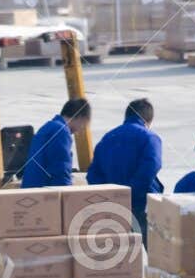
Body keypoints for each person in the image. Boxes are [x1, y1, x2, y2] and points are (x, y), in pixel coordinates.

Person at [85, 97, 162, 241]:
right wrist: (130, 193)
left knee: (119, 254)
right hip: (141, 206)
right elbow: (151, 166)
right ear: (148, 121)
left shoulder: (107, 138)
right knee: (153, 252)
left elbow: (93, 175)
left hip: (113, 207)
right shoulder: (149, 137)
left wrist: (111, 196)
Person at [20, 97, 91, 189]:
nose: (81, 129)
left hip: (31, 189)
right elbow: (61, 169)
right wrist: (67, 194)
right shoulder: (61, 131)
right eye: (84, 124)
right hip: (43, 194)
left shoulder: (49, 126)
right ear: (81, 117)